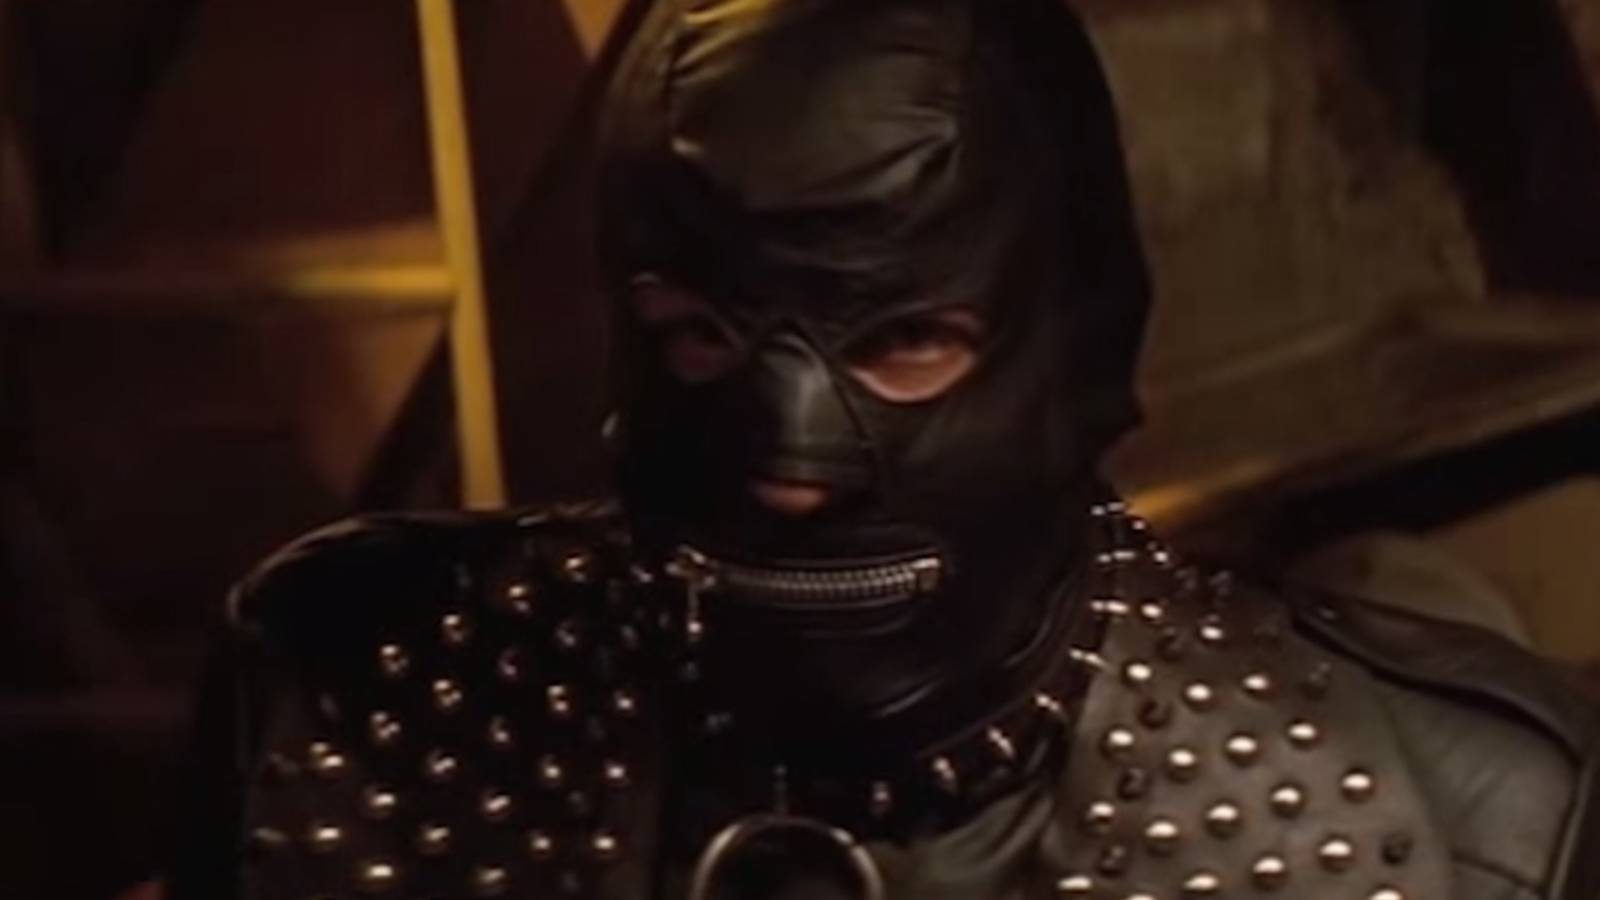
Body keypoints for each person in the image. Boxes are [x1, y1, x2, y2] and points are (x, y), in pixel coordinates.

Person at [166, 1, 1599, 898]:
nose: (792, 464)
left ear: (1084, 345)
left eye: (906, 343)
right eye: (701, 340)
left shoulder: (1461, 816)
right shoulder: (348, 714)